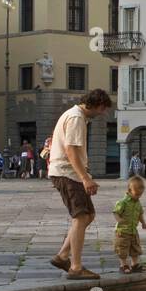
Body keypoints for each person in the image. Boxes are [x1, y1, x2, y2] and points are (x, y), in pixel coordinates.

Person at [48, 89, 114, 280]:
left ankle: (62, 256)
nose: (102, 113)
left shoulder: (74, 115)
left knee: (88, 215)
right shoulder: (76, 118)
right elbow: (71, 151)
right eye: (102, 109)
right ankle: (75, 267)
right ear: (96, 104)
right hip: (67, 173)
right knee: (81, 216)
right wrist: (85, 178)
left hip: (68, 173)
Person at [112, 175, 146, 274]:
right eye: (136, 194)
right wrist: (119, 220)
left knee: (135, 248)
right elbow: (115, 212)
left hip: (133, 230)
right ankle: (123, 265)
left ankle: (134, 265)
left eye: (140, 195)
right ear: (129, 190)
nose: (138, 197)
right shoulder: (122, 202)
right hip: (122, 231)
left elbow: (140, 214)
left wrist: (143, 223)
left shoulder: (138, 203)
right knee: (122, 249)